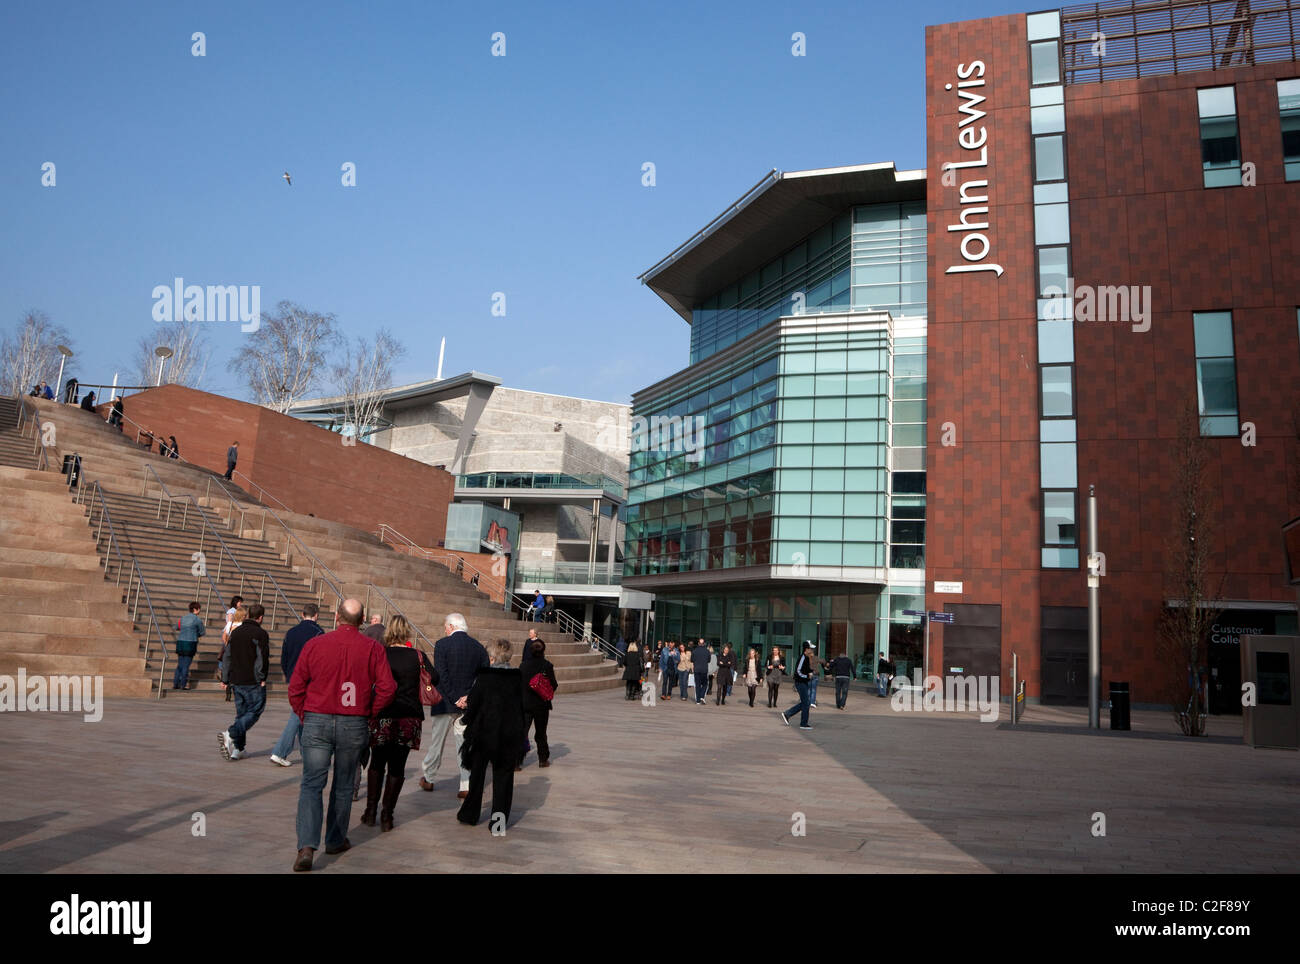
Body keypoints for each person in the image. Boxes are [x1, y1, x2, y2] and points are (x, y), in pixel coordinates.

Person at [288, 598, 397, 871]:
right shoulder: (373, 648)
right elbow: (387, 688)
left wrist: (304, 713)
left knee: (312, 783)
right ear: (362, 621)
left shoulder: (315, 644)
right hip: (353, 721)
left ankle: (306, 846)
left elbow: (297, 684)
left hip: (318, 717)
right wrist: (369, 711)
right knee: (344, 784)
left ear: (337, 617)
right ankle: (335, 839)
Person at [360, 615, 435, 832]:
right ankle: (387, 816)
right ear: (406, 632)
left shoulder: (380, 653)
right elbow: (435, 677)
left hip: (383, 714)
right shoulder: (417, 655)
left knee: (377, 763)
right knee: (397, 767)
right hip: (408, 717)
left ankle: (371, 811)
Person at [418, 612, 489, 797]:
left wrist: (455, 697)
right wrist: (468, 697)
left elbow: (442, 674)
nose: (444, 629)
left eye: (445, 626)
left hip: (444, 702)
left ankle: (429, 777)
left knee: (436, 742)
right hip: (468, 705)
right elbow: (483, 676)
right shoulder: (479, 648)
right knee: (464, 744)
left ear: (451, 626)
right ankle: (465, 784)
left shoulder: (442, 644)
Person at [457, 639, 525, 827]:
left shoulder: (485, 677)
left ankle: (470, 814)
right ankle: (498, 823)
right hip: (507, 734)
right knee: (503, 778)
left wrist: (466, 717)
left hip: (483, 733)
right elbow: (521, 707)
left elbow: (474, 703)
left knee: (477, 776)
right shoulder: (516, 678)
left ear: (493, 657)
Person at [270, 604, 325, 766]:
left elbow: (284, 657)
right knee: (297, 715)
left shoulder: (291, 632)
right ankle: (280, 751)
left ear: (302, 614)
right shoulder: (318, 633)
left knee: (302, 715)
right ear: (316, 615)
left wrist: (288, 674)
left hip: (294, 677)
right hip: (309, 679)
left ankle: (305, 752)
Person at [219, 603, 271, 759]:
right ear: (260, 617)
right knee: (255, 711)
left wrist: (225, 679)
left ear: (248, 614)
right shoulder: (260, 633)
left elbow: (227, 657)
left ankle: (239, 749)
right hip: (252, 680)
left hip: (236, 680)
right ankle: (231, 733)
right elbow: (261, 658)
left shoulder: (236, 632)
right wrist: (262, 677)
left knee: (241, 715)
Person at [518, 637, 558, 769]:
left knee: (522, 732)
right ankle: (543, 759)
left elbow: (518, 684)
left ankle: (516, 761)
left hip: (525, 704)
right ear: (543, 650)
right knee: (541, 733)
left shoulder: (523, 665)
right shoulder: (547, 665)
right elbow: (554, 684)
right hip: (541, 704)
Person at [780, 642, 817, 730]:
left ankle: (788, 714)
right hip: (800, 682)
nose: (812, 650)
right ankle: (803, 723)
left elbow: (805, 669)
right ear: (806, 649)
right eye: (811, 648)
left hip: (803, 682)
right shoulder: (803, 657)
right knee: (806, 703)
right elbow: (798, 671)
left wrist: (810, 671)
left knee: (806, 702)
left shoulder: (806, 658)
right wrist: (807, 676)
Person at [218, 602, 247, 702]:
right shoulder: (243, 625)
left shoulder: (230, 624)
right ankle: (236, 691)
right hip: (239, 651)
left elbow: (224, 636)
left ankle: (228, 691)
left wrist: (227, 644)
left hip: (229, 648)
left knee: (228, 669)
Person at [173, 601, 204, 690]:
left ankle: (175, 683)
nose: (199, 610)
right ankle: (183, 684)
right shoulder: (197, 620)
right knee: (186, 664)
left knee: (180, 664)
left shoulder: (182, 618)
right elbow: (202, 632)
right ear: (195, 609)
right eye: (199, 609)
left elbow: (176, 627)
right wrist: (195, 633)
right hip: (190, 643)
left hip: (180, 642)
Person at [691, 639, 711, 705]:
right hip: (704, 670)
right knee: (705, 684)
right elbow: (709, 660)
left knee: (697, 685)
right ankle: (702, 696)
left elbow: (692, 660)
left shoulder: (694, 651)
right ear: (704, 643)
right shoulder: (707, 651)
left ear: (698, 643)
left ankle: (698, 700)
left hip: (696, 670)